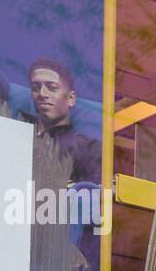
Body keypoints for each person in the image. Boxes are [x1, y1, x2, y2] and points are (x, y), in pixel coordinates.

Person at [23, 57, 101, 186]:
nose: (42, 93)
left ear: (71, 98)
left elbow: (96, 193)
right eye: (36, 88)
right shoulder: (17, 132)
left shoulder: (88, 149)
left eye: (52, 88)